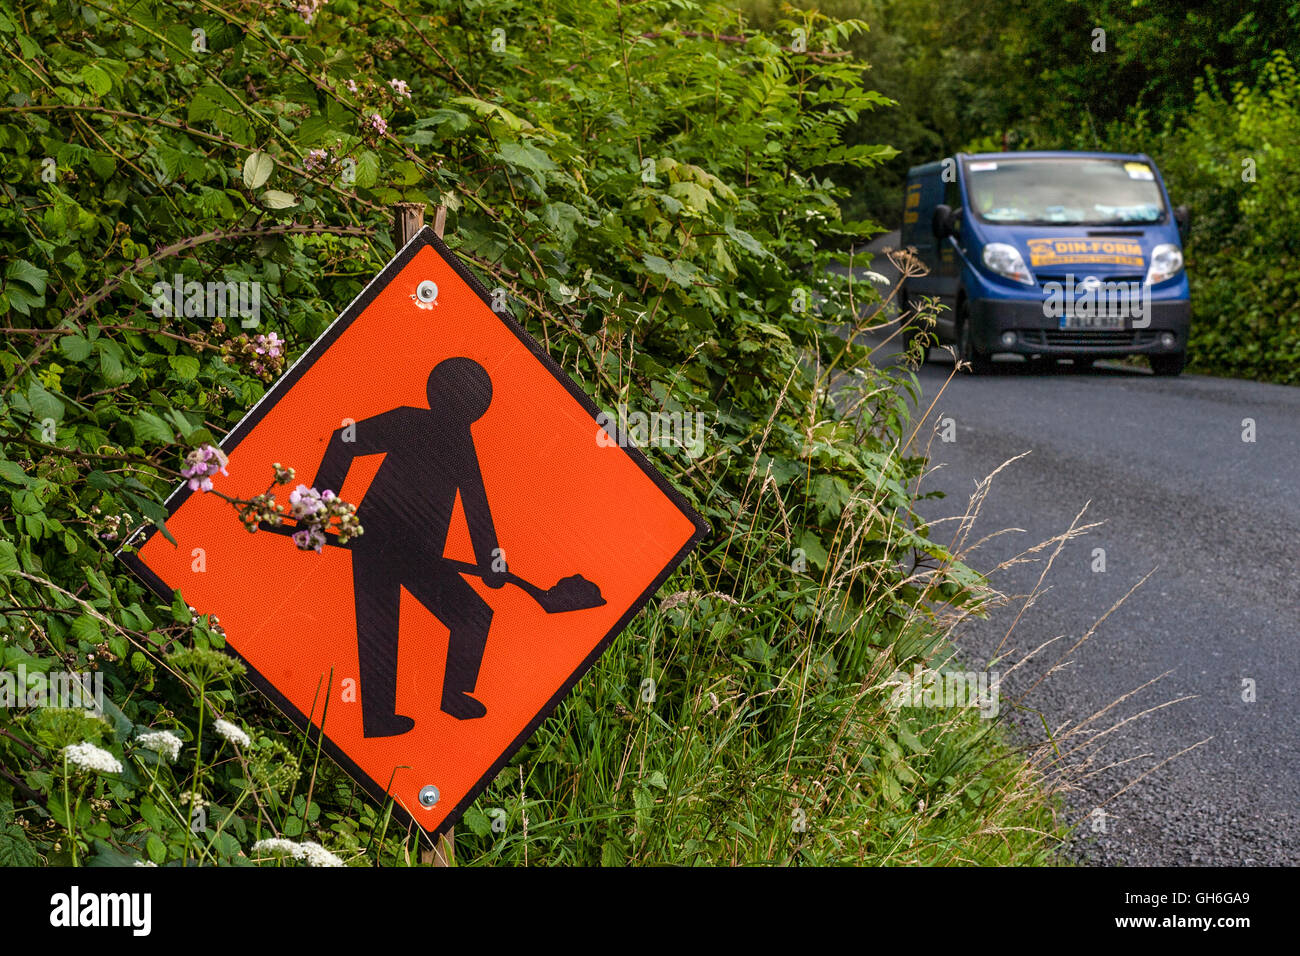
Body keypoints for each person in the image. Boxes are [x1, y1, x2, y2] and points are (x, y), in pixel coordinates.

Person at [311, 357, 506, 737]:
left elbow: (475, 506)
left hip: (409, 547)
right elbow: (343, 441)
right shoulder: (411, 423)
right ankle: (408, 711)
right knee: (393, 626)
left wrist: (491, 561)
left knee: (452, 618)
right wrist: (317, 508)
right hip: (382, 540)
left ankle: (430, 704)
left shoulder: (449, 438)